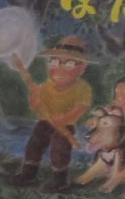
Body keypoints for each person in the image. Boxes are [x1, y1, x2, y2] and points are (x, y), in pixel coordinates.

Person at [7, 34, 92, 189]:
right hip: (45, 122)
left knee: (60, 149)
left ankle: (60, 178)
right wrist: (34, 100)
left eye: (69, 64)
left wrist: (64, 118)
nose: (60, 69)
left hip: (64, 125)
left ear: (81, 68)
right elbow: (37, 108)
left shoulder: (82, 88)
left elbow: (81, 108)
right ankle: (28, 172)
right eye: (54, 62)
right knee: (35, 144)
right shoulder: (45, 87)